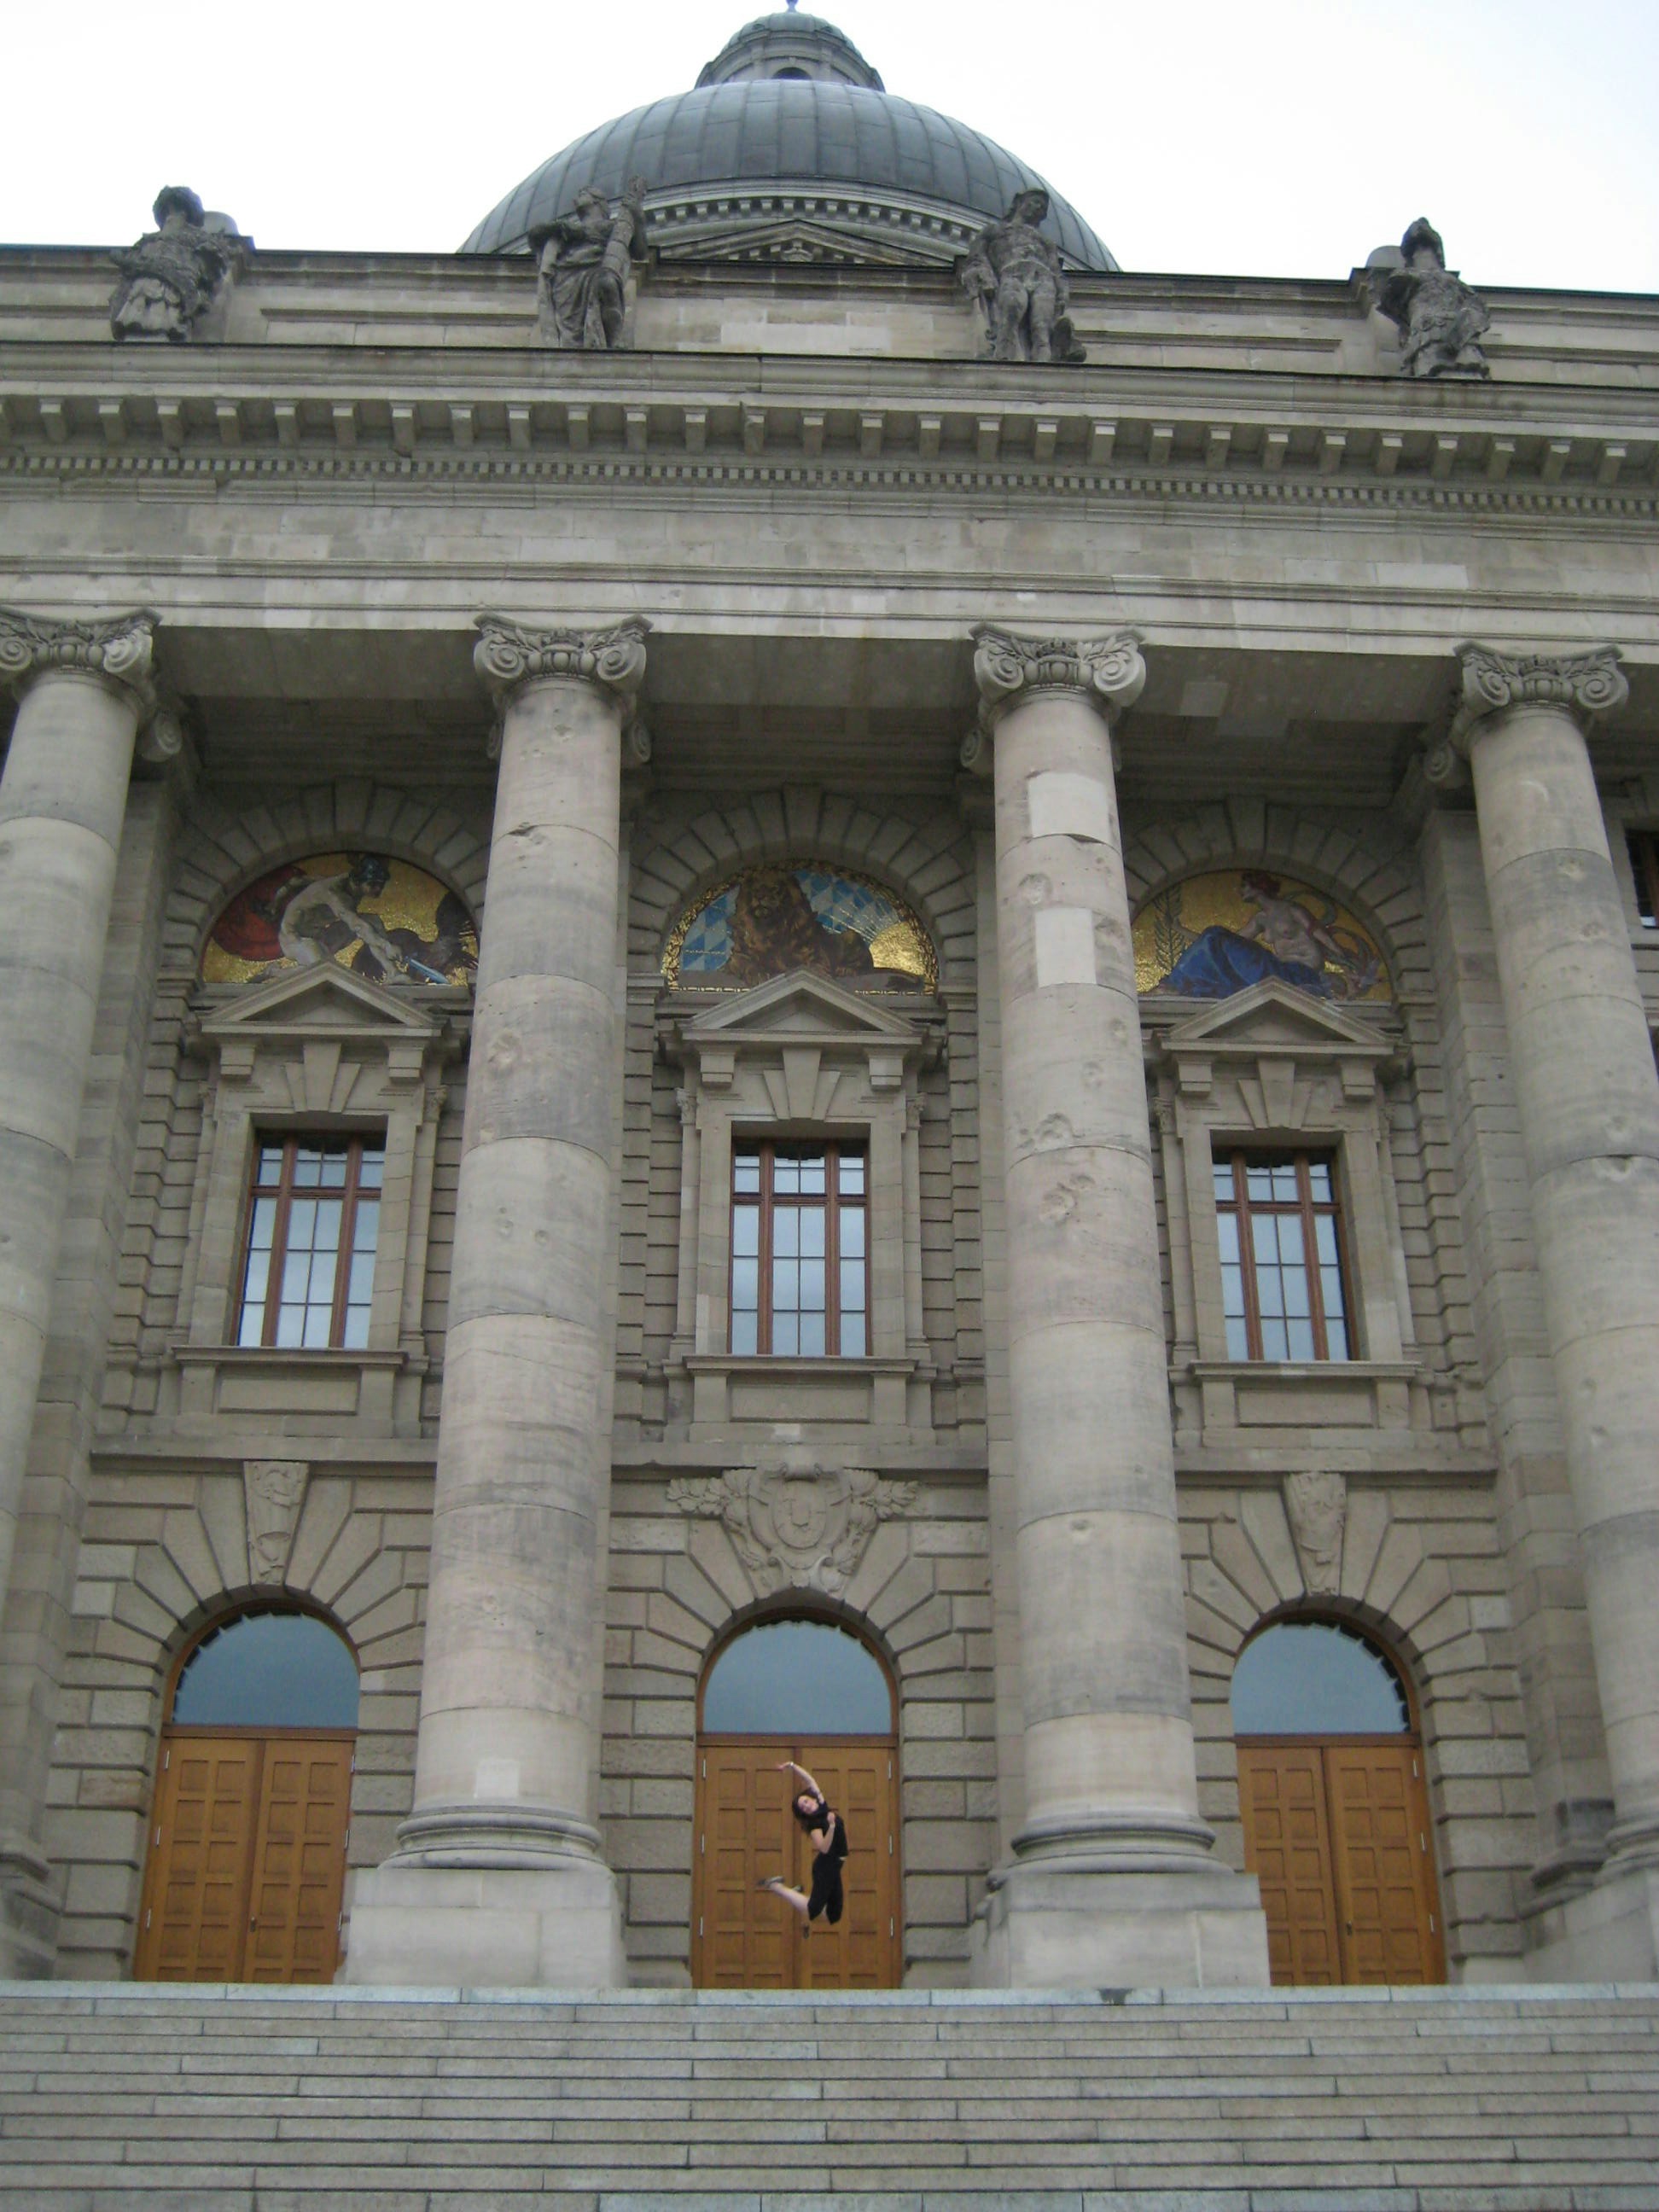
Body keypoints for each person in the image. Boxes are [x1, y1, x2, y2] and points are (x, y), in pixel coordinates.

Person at [758, 1759, 848, 1938]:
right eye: (803, 1806)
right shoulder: (815, 1824)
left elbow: (810, 1780)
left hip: (835, 1864)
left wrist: (791, 1766)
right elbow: (823, 1848)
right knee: (813, 1908)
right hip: (826, 1866)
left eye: (806, 1801)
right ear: (804, 1812)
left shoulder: (823, 1805)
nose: (806, 1805)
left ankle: (794, 1893)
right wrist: (830, 1827)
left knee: (834, 1914)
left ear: (812, 1798)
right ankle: (776, 1887)